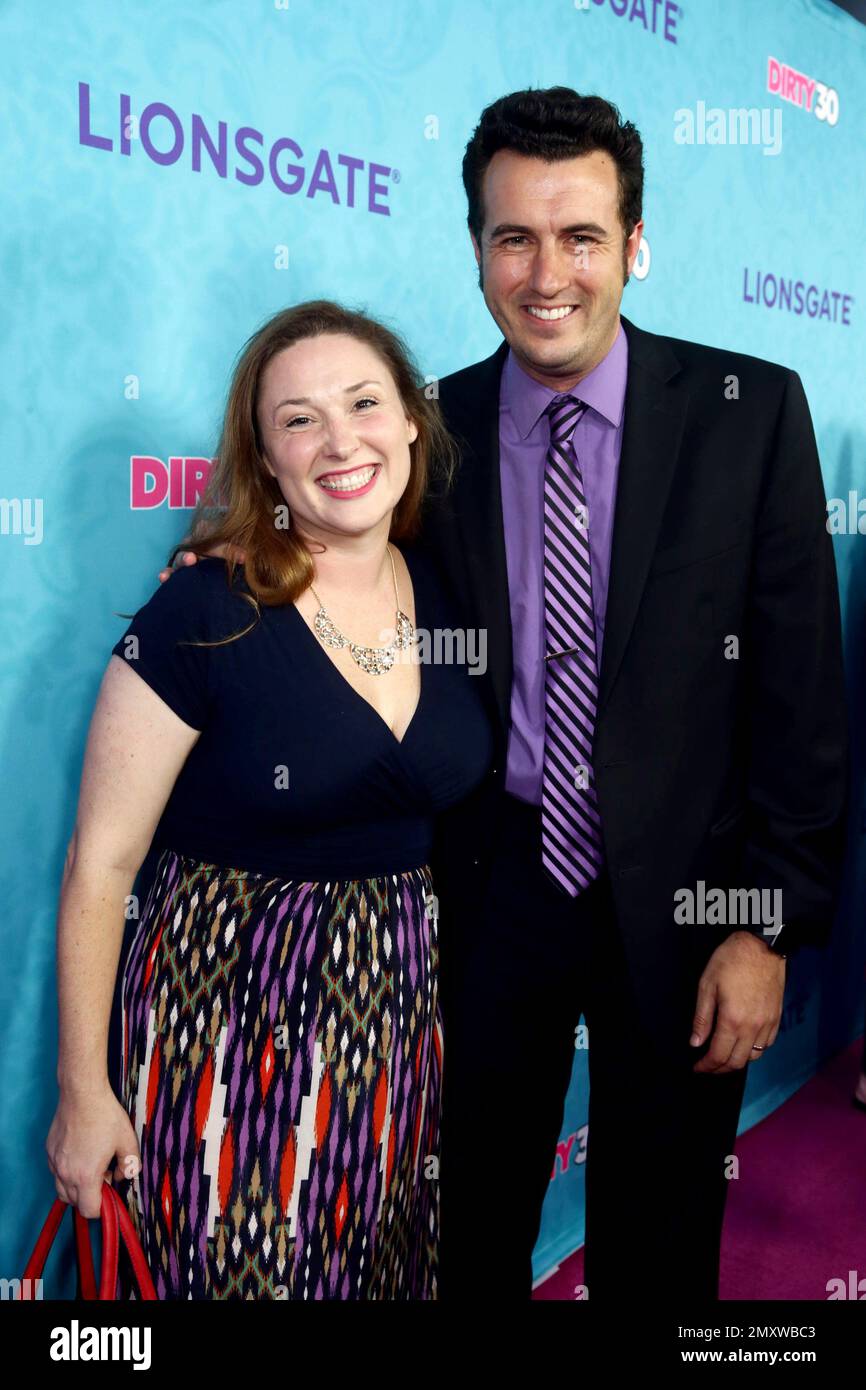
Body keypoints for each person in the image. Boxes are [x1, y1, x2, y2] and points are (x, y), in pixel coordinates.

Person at [161, 87, 850, 1303]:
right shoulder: (431, 428)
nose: (547, 274)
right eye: (511, 237)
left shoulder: (748, 413)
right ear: (475, 245)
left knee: (662, 1230)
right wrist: (238, 540)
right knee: (468, 1228)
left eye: (580, 236)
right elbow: (334, 542)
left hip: (692, 903)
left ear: (632, 244)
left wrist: (765, 923)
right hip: (485, 894)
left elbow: (798, 700)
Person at [45, 300, 494, 1300]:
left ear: (411, 423)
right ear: (265, 458)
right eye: (297, 419)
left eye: (363, 402)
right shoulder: (203, 606)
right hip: (227, 1018)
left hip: (392, 1024)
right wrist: (83, 1090)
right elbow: (101, 862)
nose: (340, 440)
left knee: (371, 1271)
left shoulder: (450, 592)